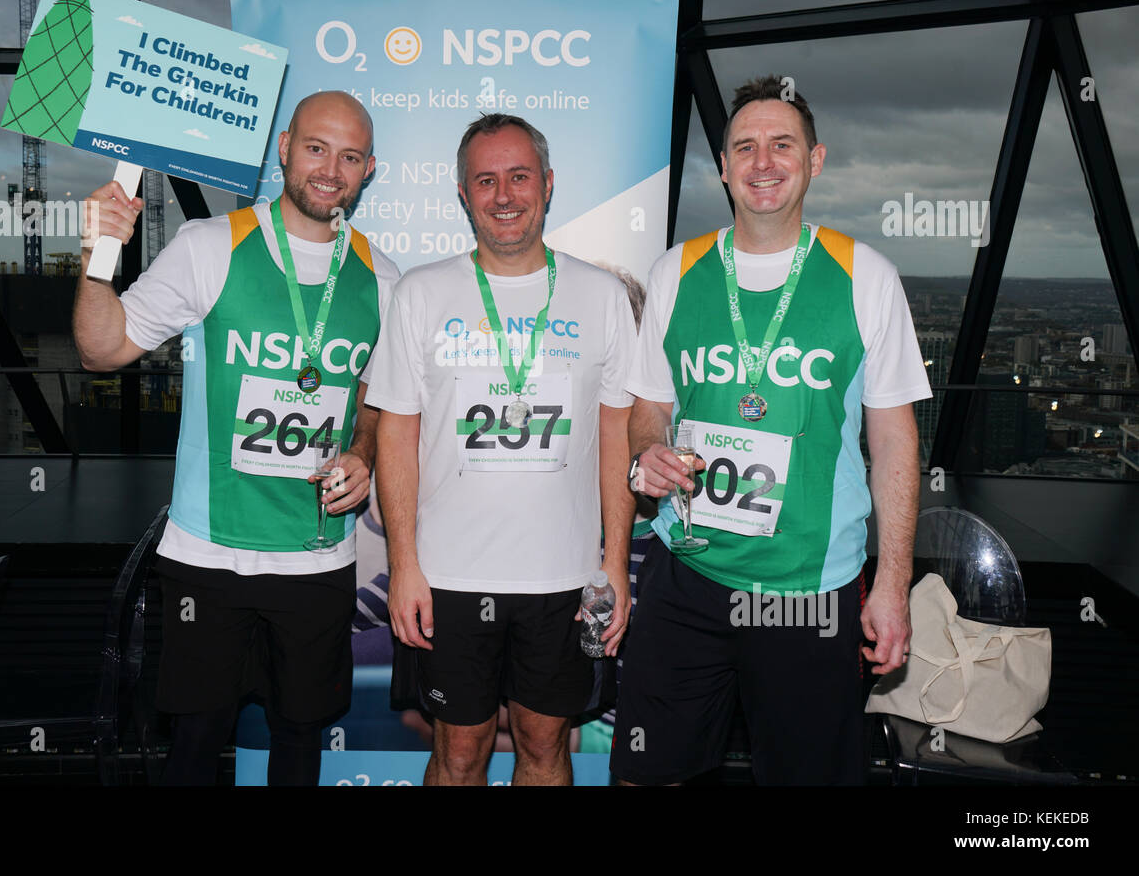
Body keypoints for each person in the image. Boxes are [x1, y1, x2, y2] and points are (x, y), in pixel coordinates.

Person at [73, 90, 400, 785]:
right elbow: (101, 350)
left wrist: (365, 451)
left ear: (369, 169)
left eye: (349, 157)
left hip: (316, 560)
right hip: (208, 556)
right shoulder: (210, 246)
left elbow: (377, 390)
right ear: (285, 147)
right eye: (316, 148)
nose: (329, 169)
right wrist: (99, 254)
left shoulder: (383, 277)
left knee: (300, 741)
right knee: (196, 742)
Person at [612, 75, 931, 785]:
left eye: (782, 144)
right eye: (745, 146)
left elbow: (894, 441)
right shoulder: (676, 271)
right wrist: (646, 453)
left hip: (807, 590)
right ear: (722, 167)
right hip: (687, 575)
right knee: (645, 773)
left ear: (814, 160)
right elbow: (646, 410)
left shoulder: (864, 277)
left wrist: (893, 583)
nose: (763, 162)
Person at [366, 113, 637, 785]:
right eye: (485, 180)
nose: (504, 194)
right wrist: (404, 564)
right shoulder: (420, 293)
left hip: (563, 580)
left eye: (519, 176)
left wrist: (614, 566)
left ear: (547, 184)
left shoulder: (601, 297)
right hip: (449, 577)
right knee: (459, 752)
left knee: (547, 749)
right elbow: (394, 432)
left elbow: (616, 438)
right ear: (463, 193)